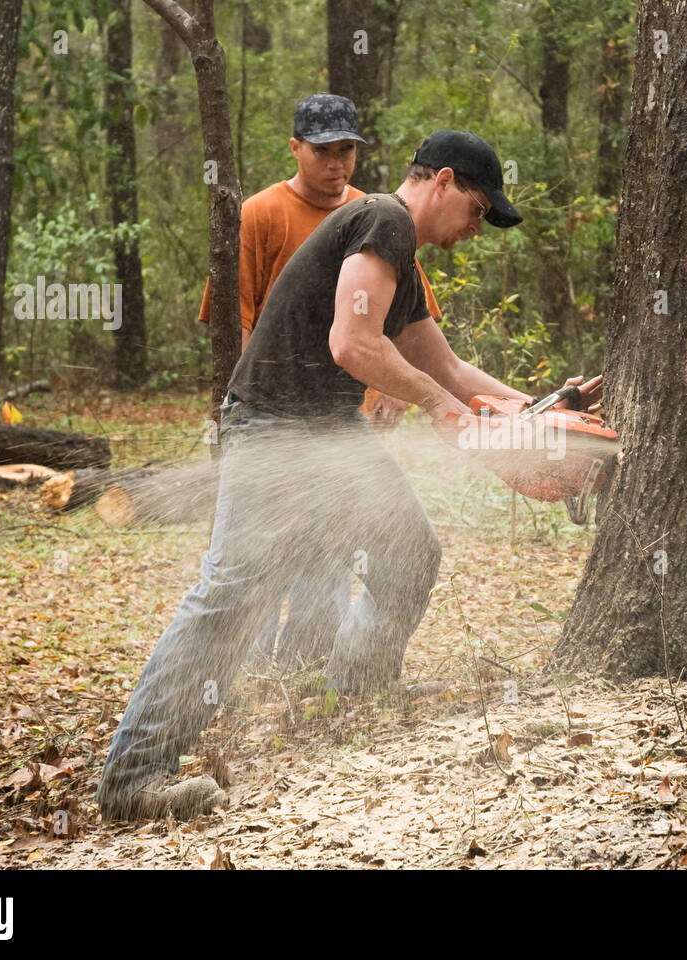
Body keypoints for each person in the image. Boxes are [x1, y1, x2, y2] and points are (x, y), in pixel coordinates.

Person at [97, 129, 601, 821]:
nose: (475, 231)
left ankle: (356, 698)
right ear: (445, 181)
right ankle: (132, 781)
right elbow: (351, 343)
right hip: (275, 426)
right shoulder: (383, 219)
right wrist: (437, 406)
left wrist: (543, 408)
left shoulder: (397, 254)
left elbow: (447, 369)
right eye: (479, 212)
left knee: (409, 553)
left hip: (331, 430)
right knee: (232, 598)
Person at [196, 92, 441, 673]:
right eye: (324, 151)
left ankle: (309, 675)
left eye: (346, 151)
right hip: (270, 408)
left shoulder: (377, 215)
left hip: (336, 416)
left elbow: (402, 322)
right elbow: (239, 319)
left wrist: (389, 392)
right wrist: (234, 407)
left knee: (329, 545)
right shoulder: (259, 213)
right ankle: (250, 676)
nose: (337, 164)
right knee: (252, 560)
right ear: (296, 149)